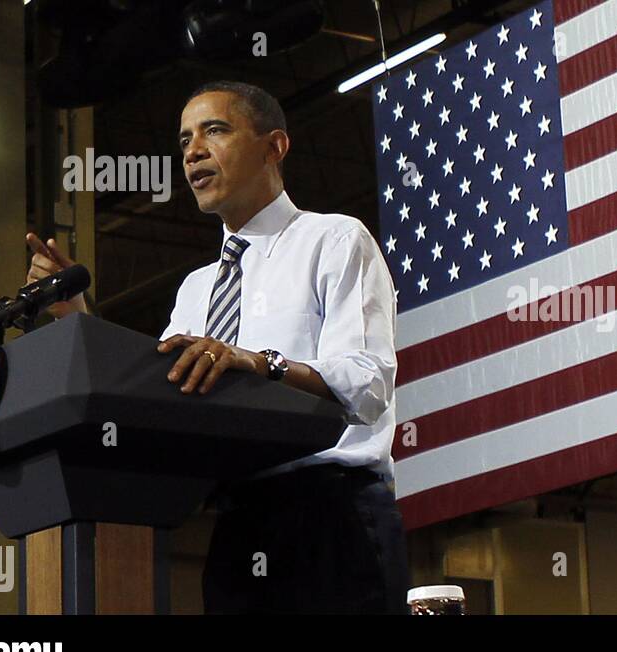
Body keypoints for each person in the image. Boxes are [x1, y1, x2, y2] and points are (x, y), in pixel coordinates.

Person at [24, 80, 409, 614]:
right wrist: (77, 318)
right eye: (184, 140)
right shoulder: (196, 289)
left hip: (330, 516)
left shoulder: (335, 241)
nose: (193, 152)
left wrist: (257, 362)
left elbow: (367, 384)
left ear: (274, 146)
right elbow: (150, 396)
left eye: (215, 130)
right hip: (234, 524)